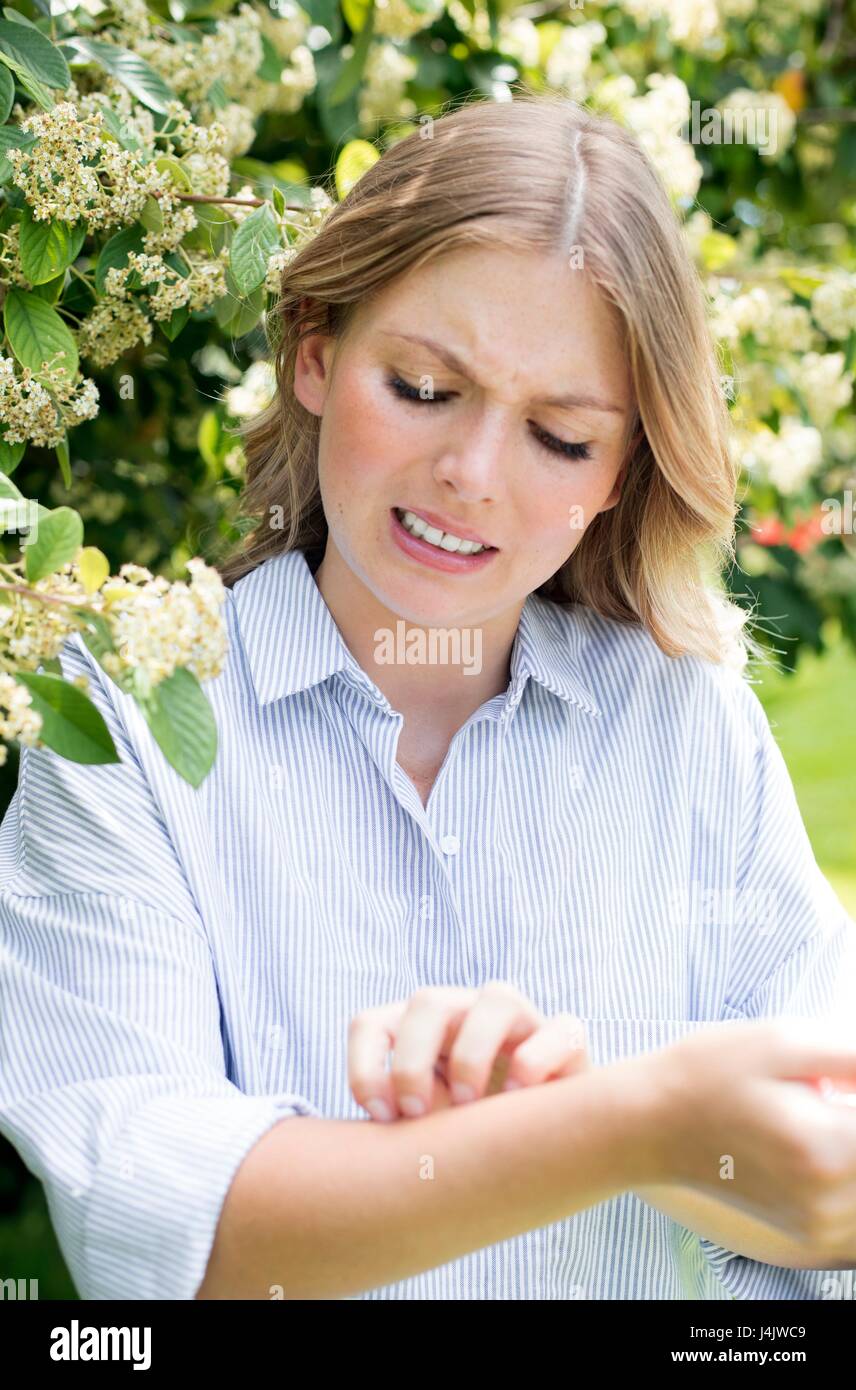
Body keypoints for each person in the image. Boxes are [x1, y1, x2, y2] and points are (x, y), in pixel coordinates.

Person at [1, 91, 856, 1303]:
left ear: (619, 474)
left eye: (560, 437)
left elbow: (831, 1184)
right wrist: (618, 1128)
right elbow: (174, 1235)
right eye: (420, 386)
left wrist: (627, 1132)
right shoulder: (122, 720)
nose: (470, 476)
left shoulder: (686, 720)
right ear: (313, 347)